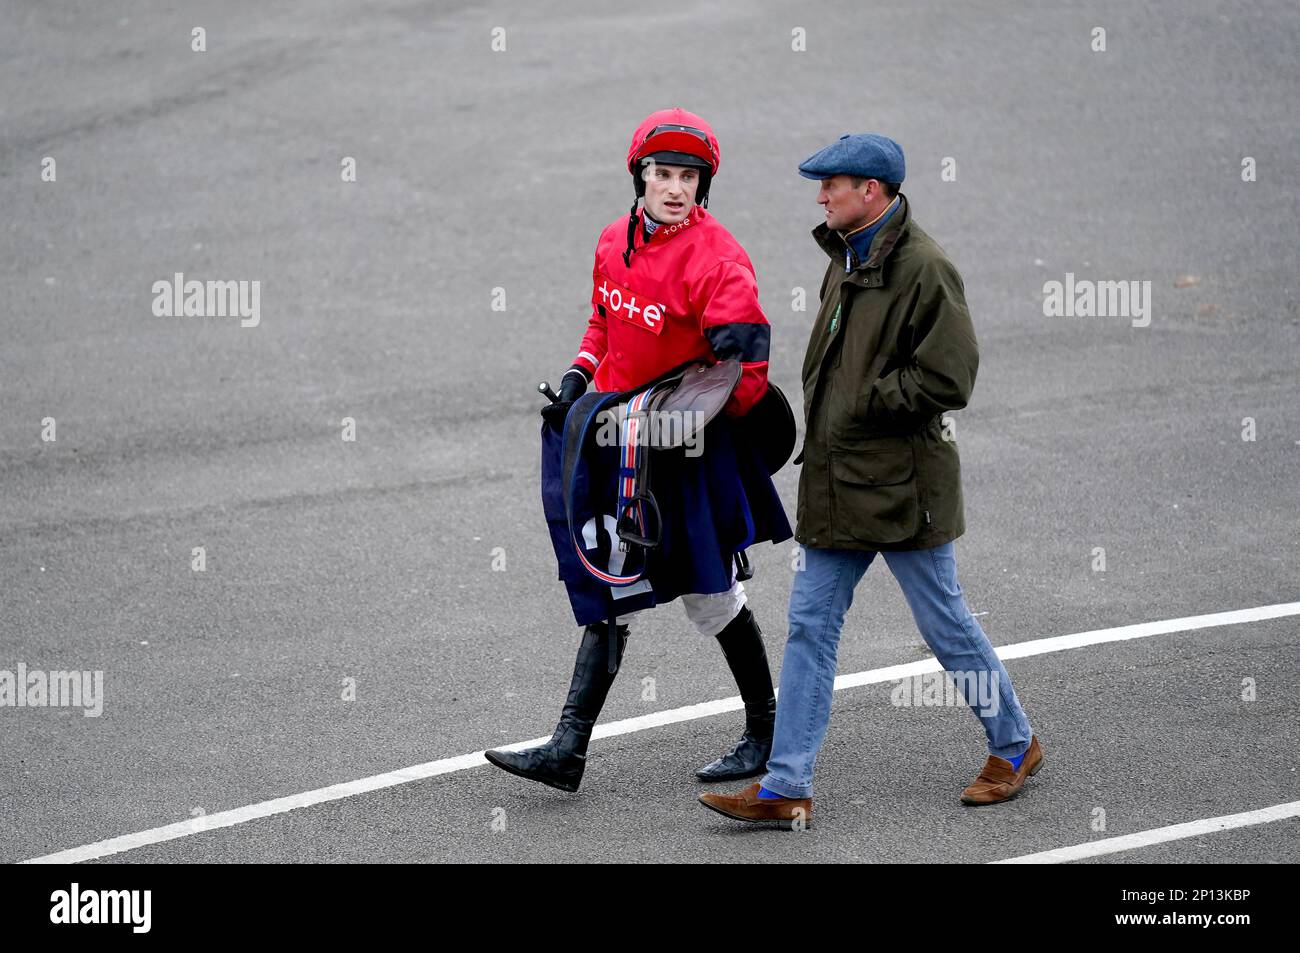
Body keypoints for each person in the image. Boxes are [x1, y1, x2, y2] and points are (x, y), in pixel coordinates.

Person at [698, 133, 1042, 829]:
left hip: (902, 487)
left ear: (873, 193)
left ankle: (1015, 744)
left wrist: (867, 400)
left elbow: (951, 377)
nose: (821, 196)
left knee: (944, 621)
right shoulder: (847, 256)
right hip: (838, 481)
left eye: (833, 185)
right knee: (809, 626)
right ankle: (787, 785)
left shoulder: (925, 268)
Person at [485, 108, 792, 792]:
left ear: (701, 185)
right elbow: (602, 320)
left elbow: (747, 373)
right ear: (640, 178)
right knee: (609, 586)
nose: (675, 188)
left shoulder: (719, 260)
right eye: (662, 174)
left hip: (684, 454)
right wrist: (577, 378)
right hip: (616, 442)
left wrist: (691, 430)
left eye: (688, 176)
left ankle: (766, 728)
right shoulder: (610, 241)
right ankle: (568, 748)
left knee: (711, 598)